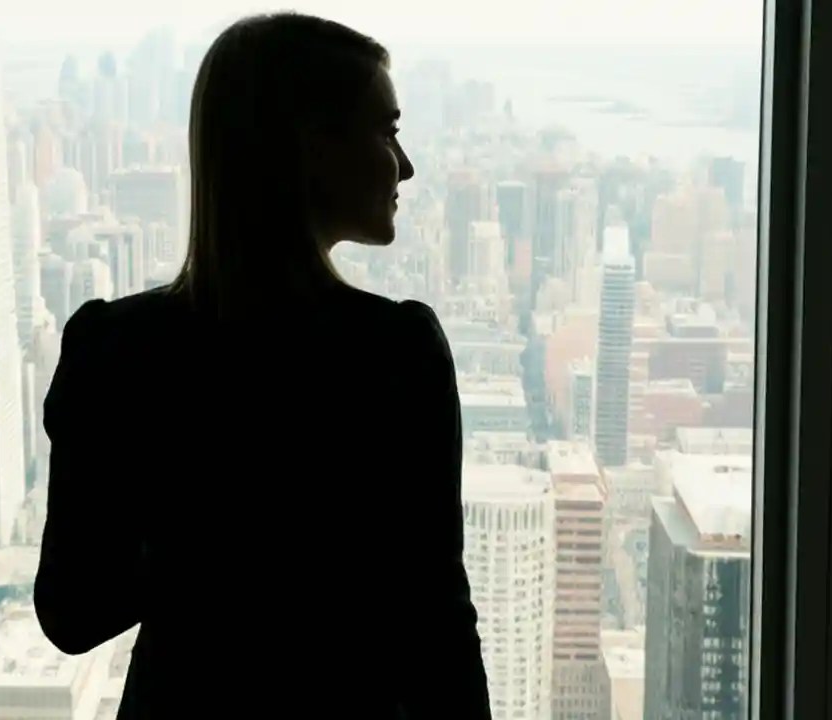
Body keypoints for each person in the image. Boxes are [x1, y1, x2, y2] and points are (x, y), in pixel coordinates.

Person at [34, 12, 490, 719]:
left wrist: (198, 538)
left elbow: (71, 611)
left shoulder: (115, 346)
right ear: (311, 146)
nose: (404, 165)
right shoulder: (395, 354)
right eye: (387, 131)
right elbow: (438, 625)